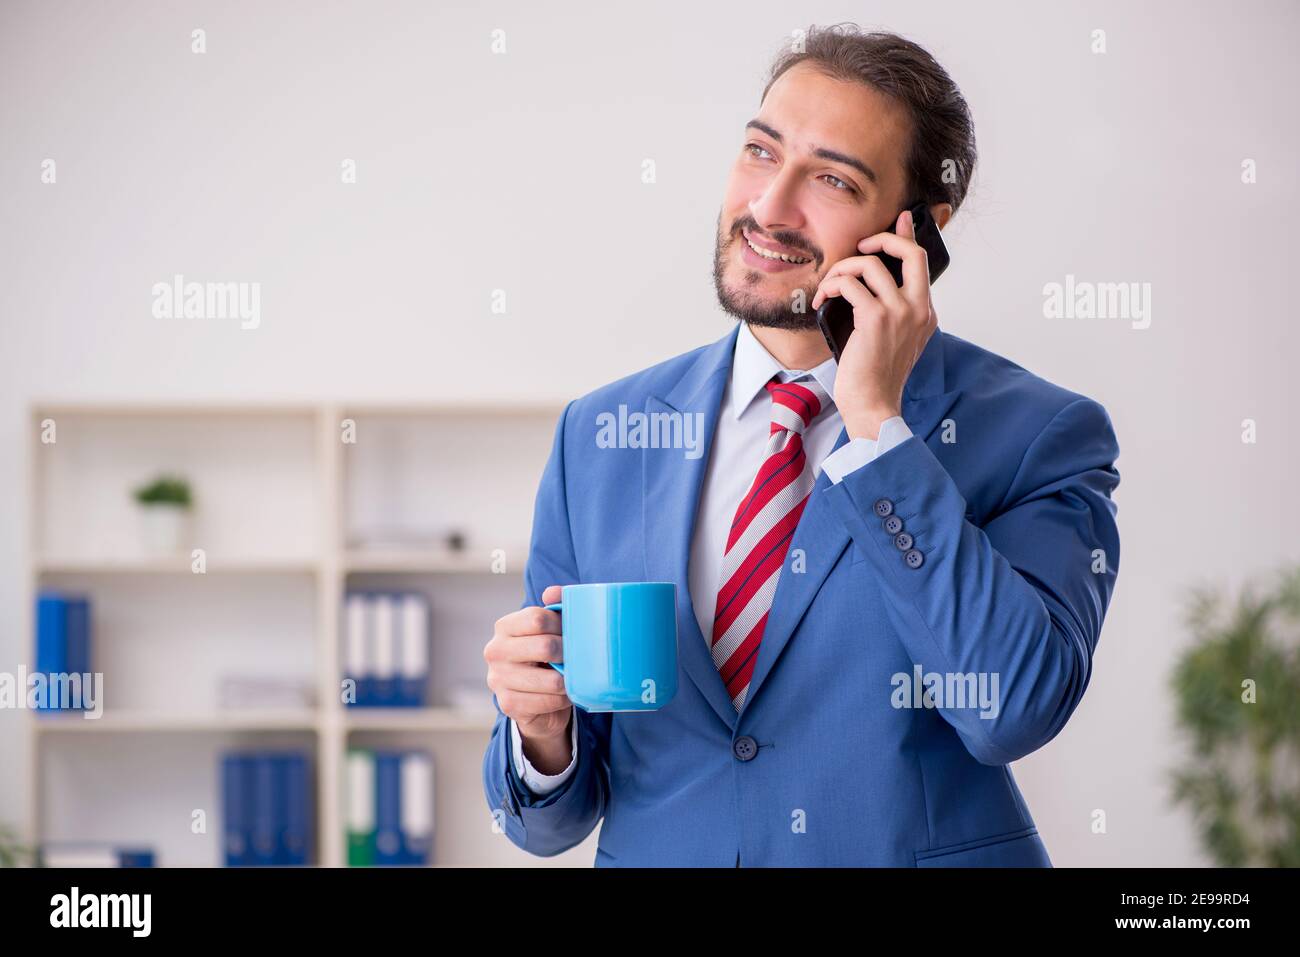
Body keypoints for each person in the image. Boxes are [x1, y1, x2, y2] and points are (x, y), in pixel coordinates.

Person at [482, 24, 1120, 866]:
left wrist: (877, 428)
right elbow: (549, 822)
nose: (769, 207)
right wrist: (540, 733)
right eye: (759, 151)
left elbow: (1013, 707)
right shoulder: (601, 434)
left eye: (830, 178)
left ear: (919, 230)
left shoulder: (1040, 435)